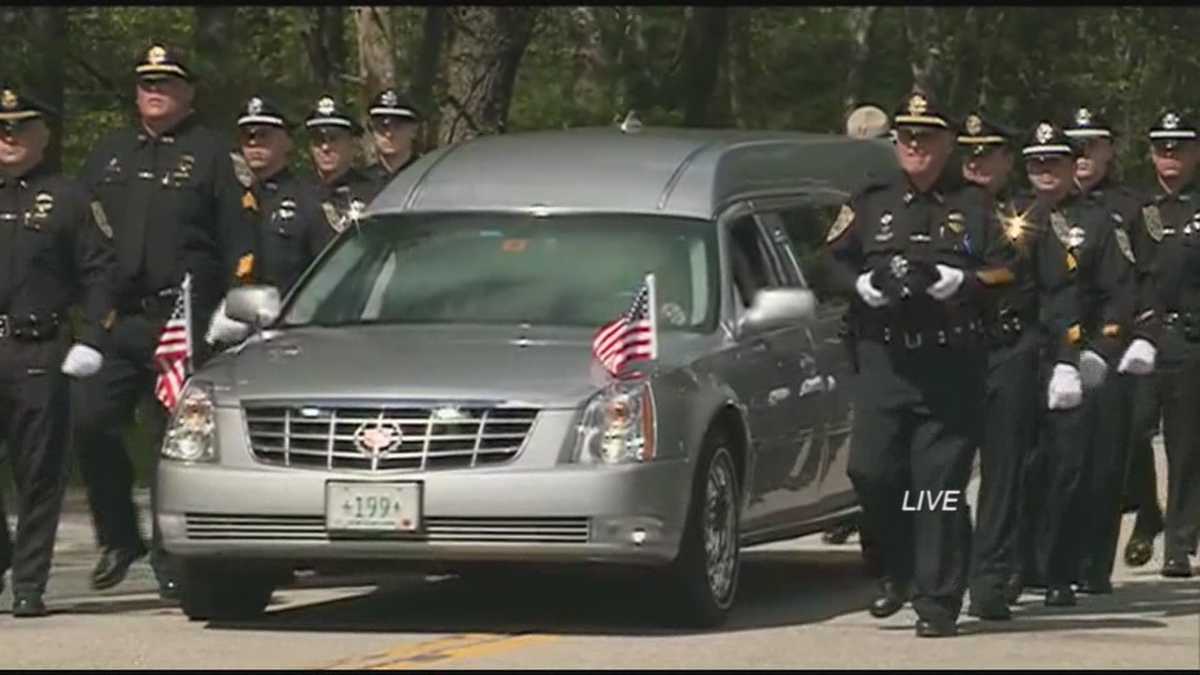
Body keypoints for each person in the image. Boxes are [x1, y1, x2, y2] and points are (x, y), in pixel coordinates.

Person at [824, 89, 1037, 637]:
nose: (916, 147)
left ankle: (937, 600)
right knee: (871, 471)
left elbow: (1010, 271)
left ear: (948, 145)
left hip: (949, 365)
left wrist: (964, 281)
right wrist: (862, 284)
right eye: (907, 138)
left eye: (927, 138)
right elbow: (827, 263)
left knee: (937, 485)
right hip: (884, 361)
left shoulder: (975, 206)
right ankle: (897, 567)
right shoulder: (871, 202)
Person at [72, 44, 255, 599]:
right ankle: (119, 536)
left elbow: (240, 235)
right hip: (116, 318)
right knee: (89, 421)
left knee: (168, 438)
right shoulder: (109, 155)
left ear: (189, 92)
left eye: (167, 83)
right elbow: (84, 233)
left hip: (184, 320)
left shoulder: (213, 155)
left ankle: (169, 554)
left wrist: (237, 299)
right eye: (147, 82)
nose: (155, 91)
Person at [1015, 120, 1151, 606]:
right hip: (1017, 357)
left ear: (1072, 167)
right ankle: (1014, 566)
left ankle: (1060, 569)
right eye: (1036, 163)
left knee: (1070, 469)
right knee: (1019, 467)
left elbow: (1122, 291)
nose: (1045, 171)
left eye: (1054, 163)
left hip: (1074, 360)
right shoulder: (1010, 216)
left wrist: (1100, 351)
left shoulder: (1097, 222)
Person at [0, 85, 117, 617]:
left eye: (21, 127)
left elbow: (99, 272)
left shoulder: (68, 197)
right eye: (3, 129)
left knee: (38, 472)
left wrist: (93, 335)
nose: (10, 137)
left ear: (42, 135)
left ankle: (28, 583)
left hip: (39, 349)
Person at [956, 111, 1052, 618]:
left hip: (1008, 350)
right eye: (968, 153)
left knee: (1002, 473)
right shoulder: (940, 208)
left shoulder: (1029, 214)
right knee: (935, 477)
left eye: (987, 153)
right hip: (947, 353)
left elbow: (1057, 286)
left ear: (1007, 159)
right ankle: (941, 556)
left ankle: (991, 576)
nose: (976, 163)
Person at [1062, 105, 1160, 594]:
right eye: (1073, 146)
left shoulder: (1132, 207)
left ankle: (1093, 564)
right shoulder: (1044, 205)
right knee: (1058, 462)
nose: (1081, 156)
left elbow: (1150, 276)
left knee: (1104, 461)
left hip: (1111, 345)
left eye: (1091, 146)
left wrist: (1141, 336)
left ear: (1109, 150)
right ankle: (1050, 561)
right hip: (1054, 347)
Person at [1133, 109, 1200, 578]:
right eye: (1162, 148)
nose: (1170, 156)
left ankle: (1179, 541)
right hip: (1141, 337)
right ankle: (1146, 510)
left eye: (1179, 148)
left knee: (1186, 445)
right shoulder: (1136, 207)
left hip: (1191, 336)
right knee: (1131, 433)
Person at [305, 95, 383, 235]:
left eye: (333, 139)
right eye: (318, 140)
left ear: (352, 143)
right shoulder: (299, 193)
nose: (325, 147)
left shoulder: (375, 193)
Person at [365, 88, 422, 183]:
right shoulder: (360, 183)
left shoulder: (428, 178)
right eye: (383, 126)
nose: (389, 134)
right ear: (372, 130)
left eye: (398, 126)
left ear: (414, 130)